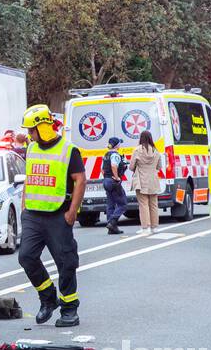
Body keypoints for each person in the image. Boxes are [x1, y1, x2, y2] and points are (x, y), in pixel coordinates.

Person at [17, 103, 86, 327]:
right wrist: (23, 204)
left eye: (31, 130)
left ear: (43, 126)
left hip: (58, 214)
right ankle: (48, 299)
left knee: (66, 262)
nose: (29, 134)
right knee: (26, 257)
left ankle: (69, 310)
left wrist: (72, 211)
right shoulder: (31, 148)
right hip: (33, 215)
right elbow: (29, 177)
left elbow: (79, 180)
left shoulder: (68, 150)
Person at [128, 129, 164, 234]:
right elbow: (159, 167)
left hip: (141, 180)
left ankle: (145, 227)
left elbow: (131, 166)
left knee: (143, 204)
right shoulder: (156, 151)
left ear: (141, 138)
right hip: (153, 180)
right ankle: (154, 227)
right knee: (153, 204)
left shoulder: (137, 150)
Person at [103, 136, 128, 235]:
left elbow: (103, 170)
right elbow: (114, 166)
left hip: (106, 180)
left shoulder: (106, 155)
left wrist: (107, 177)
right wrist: (117, 177)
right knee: (123, 204)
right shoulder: (115, 155)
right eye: (119, 143)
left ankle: (112, 229)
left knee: (111, 204)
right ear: (117, 145)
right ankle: (112, 222)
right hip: (113, 181)